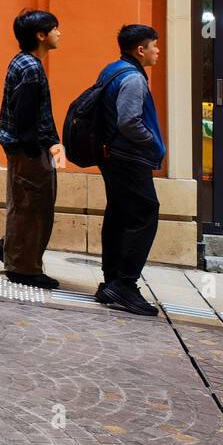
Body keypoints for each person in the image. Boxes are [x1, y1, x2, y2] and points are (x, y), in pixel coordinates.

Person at [0, 9, 64, 289]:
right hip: (29, 150)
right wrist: (34, 150)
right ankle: (24, 268)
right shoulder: (31, 68)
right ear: (40, 35)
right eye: (55, 28)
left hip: (22, 147)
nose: (59, 33)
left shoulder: (22, 61)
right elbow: (25, 117)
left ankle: (8, 248)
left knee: (23, 203)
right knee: (33, 208)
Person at [95, 24, 165, 316]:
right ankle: (125, 283)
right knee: (145, 214)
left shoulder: (111, 70)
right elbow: (129, 121)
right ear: (140, 49)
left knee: (118, 215)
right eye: (154, 45)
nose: (157, 50)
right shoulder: (134, 78)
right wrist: (150, 142)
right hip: (129, 158)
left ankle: (111, 281)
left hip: (113, 156)